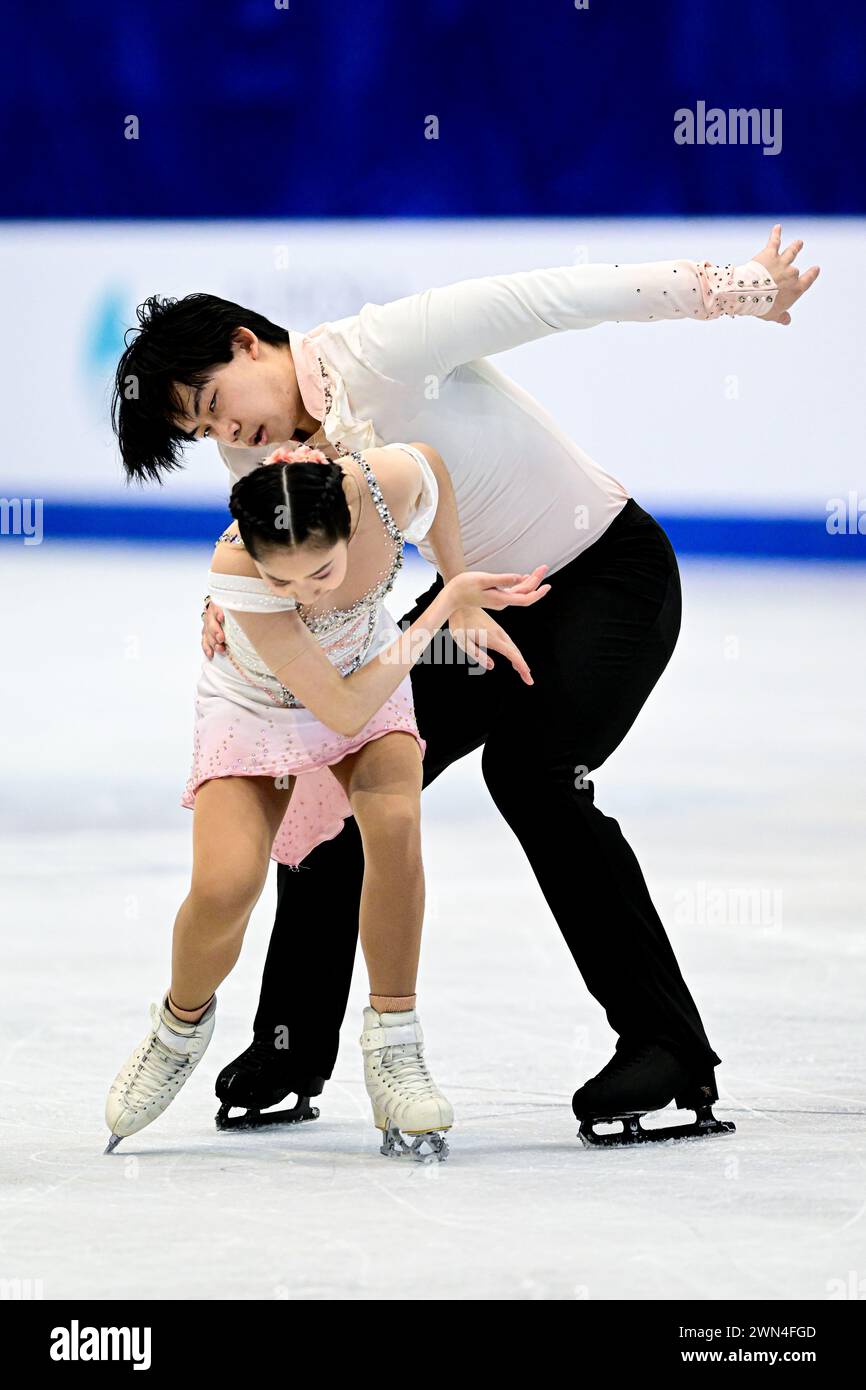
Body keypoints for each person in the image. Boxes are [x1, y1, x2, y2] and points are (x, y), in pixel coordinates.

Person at [112, 224, 819, 1145]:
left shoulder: (385, 347)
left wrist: (739, 287)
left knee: (534, 774)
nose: (222, 434)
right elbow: (270, 550)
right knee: (338, 776)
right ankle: (292, 1044)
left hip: (604, 574)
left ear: (249, 342)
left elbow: (555, 298)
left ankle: (667, 1048)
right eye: (200, 430)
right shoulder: (257, 448)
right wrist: (229, 605)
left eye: (211, 404)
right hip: (469, 611)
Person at [103, 441, 550, 1158]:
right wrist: (440, 613)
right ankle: (177, 1027)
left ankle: (395, 1046)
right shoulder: (237, 571)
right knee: (225, 887)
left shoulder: (384, 487)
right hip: (257, 704)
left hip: (366, 677)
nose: (307, 591)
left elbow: (434, 464)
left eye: (322, 570)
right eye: (283, 582)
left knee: (397, 821)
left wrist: (458, 579)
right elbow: (338, 709)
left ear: (348, 523)